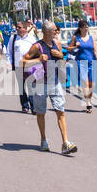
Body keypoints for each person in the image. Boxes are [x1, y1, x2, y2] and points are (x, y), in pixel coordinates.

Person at [22, 21, 77, 155]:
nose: (56, 32)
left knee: (61, 111)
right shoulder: (36, 46)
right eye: (54, 30)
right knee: (41, 113)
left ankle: (65, 143)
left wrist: (61, 56)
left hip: (55, 82)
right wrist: (39, 59)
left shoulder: (57, 44)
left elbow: (62, 63)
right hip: (40, 83)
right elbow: (23, 62)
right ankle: (43, 139)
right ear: (47, 32)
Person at [65, 19, 97, 113]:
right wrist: (76, 46)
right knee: (85, 83)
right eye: (84, 27)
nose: (86, 28)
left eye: (87, 26)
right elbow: (69, 49)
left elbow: (96, 51)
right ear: (80, 28)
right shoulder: (76, 38)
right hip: (81, 62)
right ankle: (88, 103)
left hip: (92, 62)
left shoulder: (92, 38)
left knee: (92, 84)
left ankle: (89, 98)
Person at [8, 20, 37, 114]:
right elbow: (9, 52)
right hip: (18, 66)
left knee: (31, 87)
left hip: (30, 66)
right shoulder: (13, 38)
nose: (17, 28)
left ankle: (34, 107)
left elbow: (37, 52)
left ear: (25, 28)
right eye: (17, 27)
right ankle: (25, 106)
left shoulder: (32, 39)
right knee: (22, 87)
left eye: (19, 27)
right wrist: (10, 63)